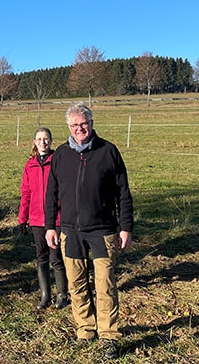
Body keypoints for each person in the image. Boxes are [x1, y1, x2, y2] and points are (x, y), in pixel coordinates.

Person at [45, 103, 133, 360]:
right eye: (74, 125)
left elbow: (124, 193)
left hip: (102, 231)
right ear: (68, 127)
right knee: (76, 283)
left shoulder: (108, 151)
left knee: (105, 285)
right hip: (70, 231)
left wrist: (126, 227)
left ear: (91, 123)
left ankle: (109, 336)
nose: (79, 129)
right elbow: (51, 195)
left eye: (83, 123)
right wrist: (50, 226)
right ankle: (85, 330)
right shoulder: (61, 155)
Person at [19, 127, 68, 310]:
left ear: (51, 141)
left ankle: (62, 294)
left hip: (56, 218)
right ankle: (45, 295)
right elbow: (26, 193)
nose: (43, 142)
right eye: (39, 139)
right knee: (41, 257)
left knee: (56, 256)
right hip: (36, 218)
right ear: (34, 142)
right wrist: (22, 218)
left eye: (46, 139)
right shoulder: (30, 165)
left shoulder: (57, 161)